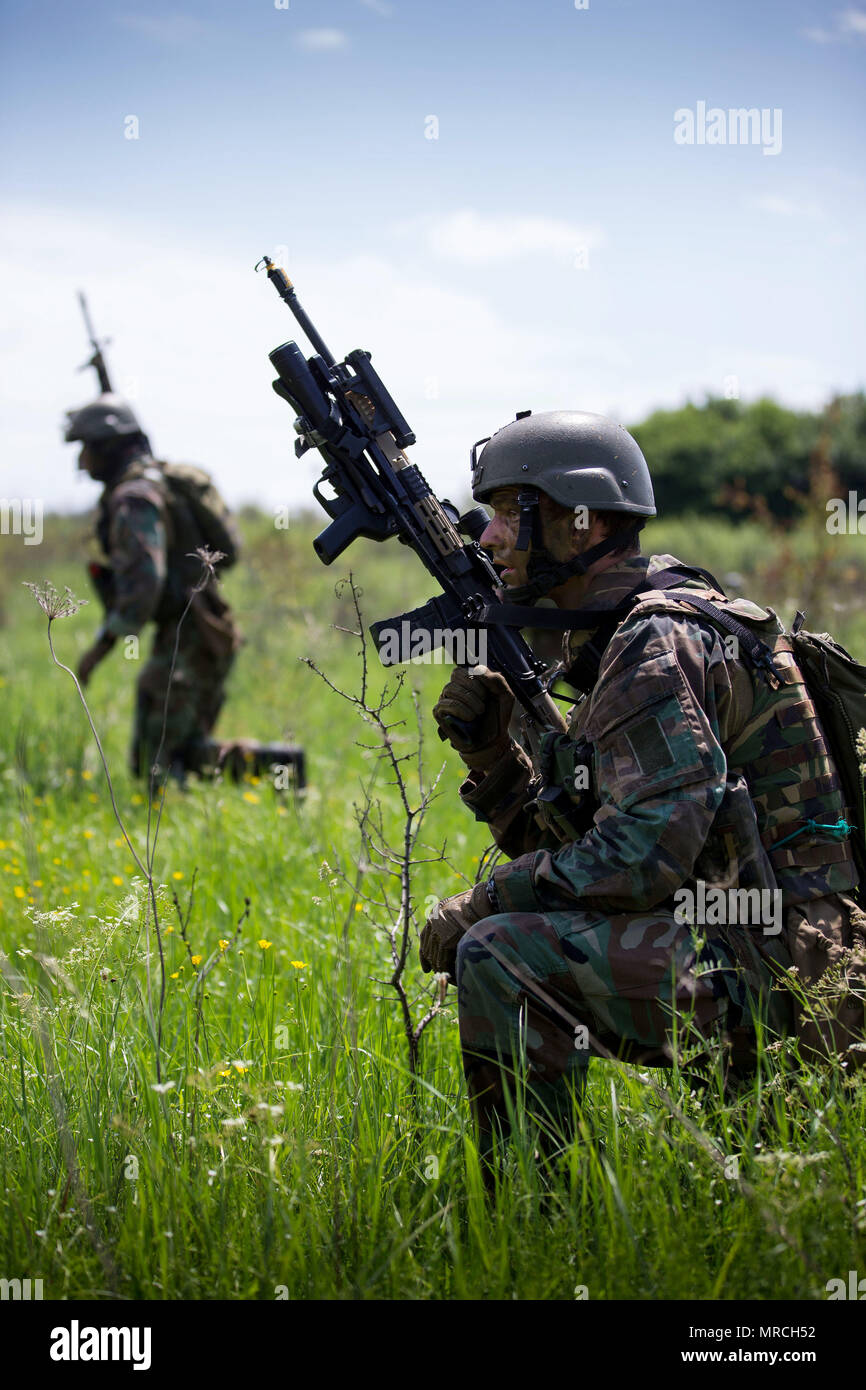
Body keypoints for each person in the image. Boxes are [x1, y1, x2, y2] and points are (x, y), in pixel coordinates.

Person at [420, 410, 860, 1158]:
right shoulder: (618, 637)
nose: (488, 538)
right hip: (763, 945)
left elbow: (637, 860)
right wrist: (495, 759)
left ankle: (529, 1222)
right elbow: (590, 845)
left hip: (793, 968)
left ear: (581, 523)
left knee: (501, 952)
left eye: (504, 513)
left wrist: (487, 900)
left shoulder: (656, 641)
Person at [64, 393, 242, 781]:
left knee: (156, 760)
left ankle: (278, 772)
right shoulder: (155, 484)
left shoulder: (135, 499)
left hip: (193, 634)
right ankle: (280, 774)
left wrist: (101, 647)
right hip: (200, 630)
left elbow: (145, 583)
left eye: (86, 449)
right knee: (181, 749)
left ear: (107, 447)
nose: (81, 462)